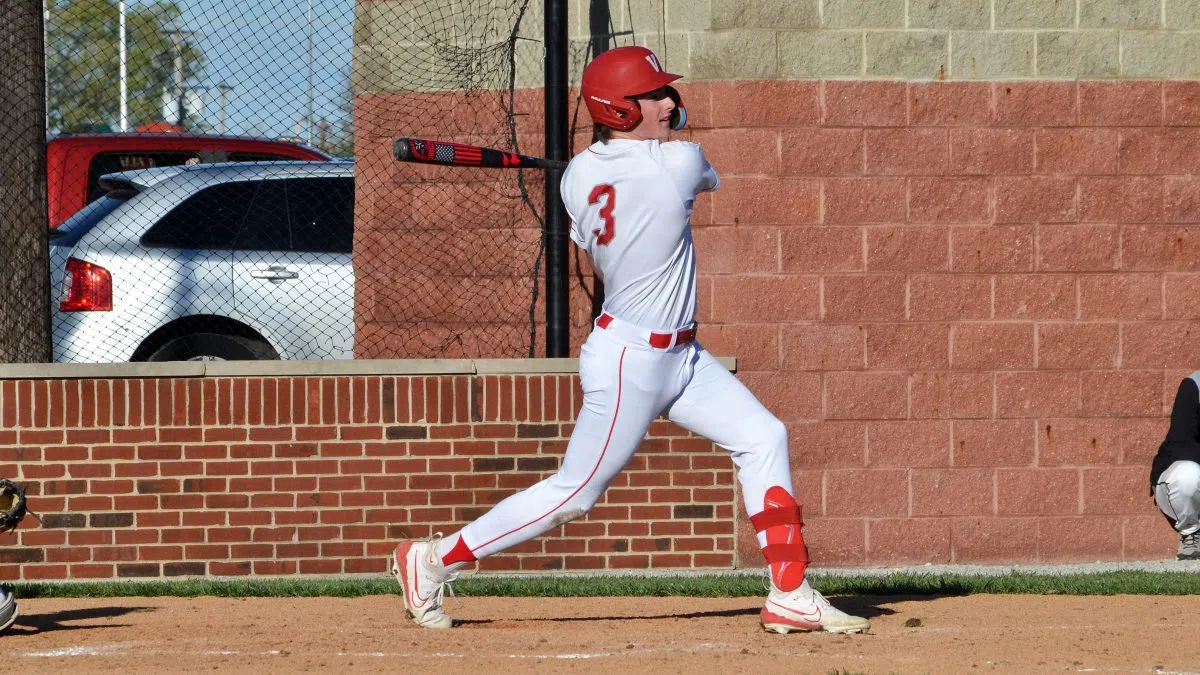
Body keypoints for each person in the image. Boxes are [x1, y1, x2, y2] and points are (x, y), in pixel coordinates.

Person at [391, 45, 870, 634]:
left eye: (665, 92)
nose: (670, 102)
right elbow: (700, 172)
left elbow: (597, 237)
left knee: (763, 435)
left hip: (685, 357)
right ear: (618, 109)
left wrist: (611, 164)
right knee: (575, 495)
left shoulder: (577, 179)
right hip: (631, 361)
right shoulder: (682, 162)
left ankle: (790, 593)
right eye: (653, 95)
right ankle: (432, 561)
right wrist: (641, 159)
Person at [1151, 373, 1200, 560]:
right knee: (1187, 477)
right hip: (1179, 476)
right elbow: (1181, 443)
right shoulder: (1194, 385)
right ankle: (1191, 532)